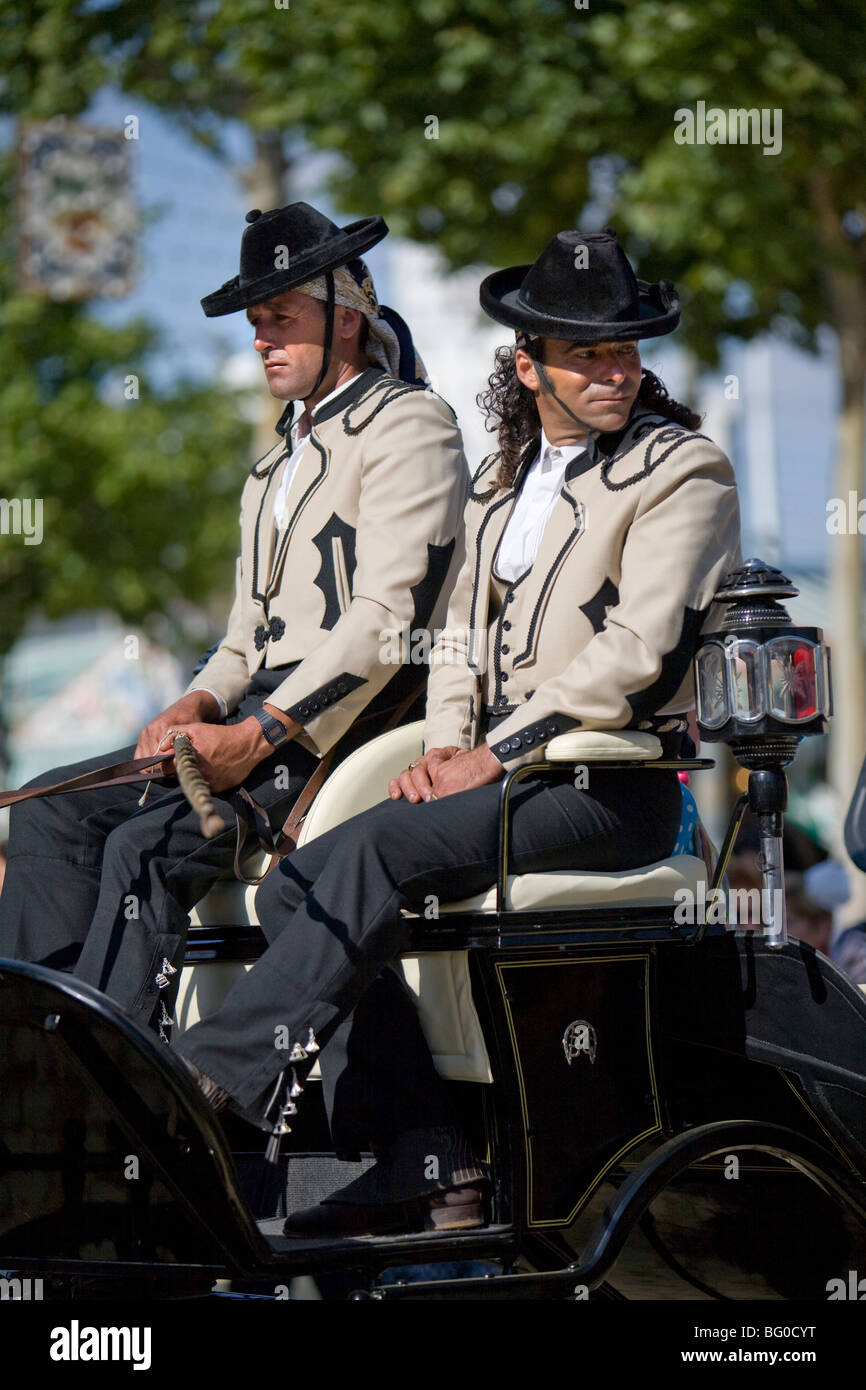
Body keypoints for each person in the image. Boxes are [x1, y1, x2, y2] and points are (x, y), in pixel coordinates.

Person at [171, 227, 742, 1237]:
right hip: (502, 784)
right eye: (585, 355)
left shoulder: (680, 470)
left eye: (622, 350)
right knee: (305, 869)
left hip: (606, 789)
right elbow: (451, 646)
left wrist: (491, 752)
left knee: (376, 851)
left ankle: (213, 1083)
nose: (612, 371)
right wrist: (441, 744)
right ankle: (427, 1159)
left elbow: (634, 655)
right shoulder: (496, 486)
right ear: (529, 367)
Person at [0, 201, 469, 1101]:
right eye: (255, 322)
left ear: (346, 312)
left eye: (280, 316)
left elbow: (386, 616)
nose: (262, 339)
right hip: (255, 707)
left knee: (144, 849)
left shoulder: (411, 424)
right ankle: (35, 1068)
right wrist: (196, 705)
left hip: (347, 719)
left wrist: (263, 732)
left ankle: (115, 1113)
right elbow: (241, 636)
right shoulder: (271, 469)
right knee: (49, 817)